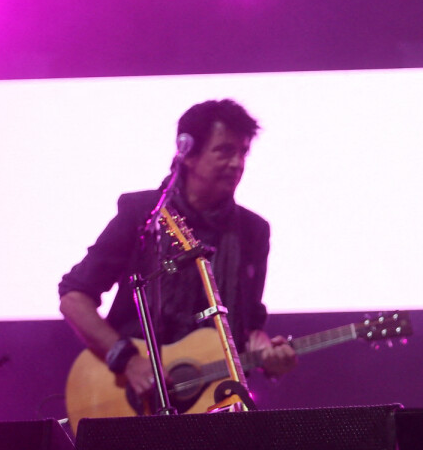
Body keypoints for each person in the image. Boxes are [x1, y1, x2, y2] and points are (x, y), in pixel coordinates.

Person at [59, 99, 296, 403]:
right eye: (225, 151)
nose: (238, 163)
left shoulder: (253, 231)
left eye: (243, 152)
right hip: (130, 399)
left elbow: (248, 326)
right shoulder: (142, 214)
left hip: (217, 402)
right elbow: (74, 297)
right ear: (189, 156)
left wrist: (266, 351)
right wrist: (129, 360)